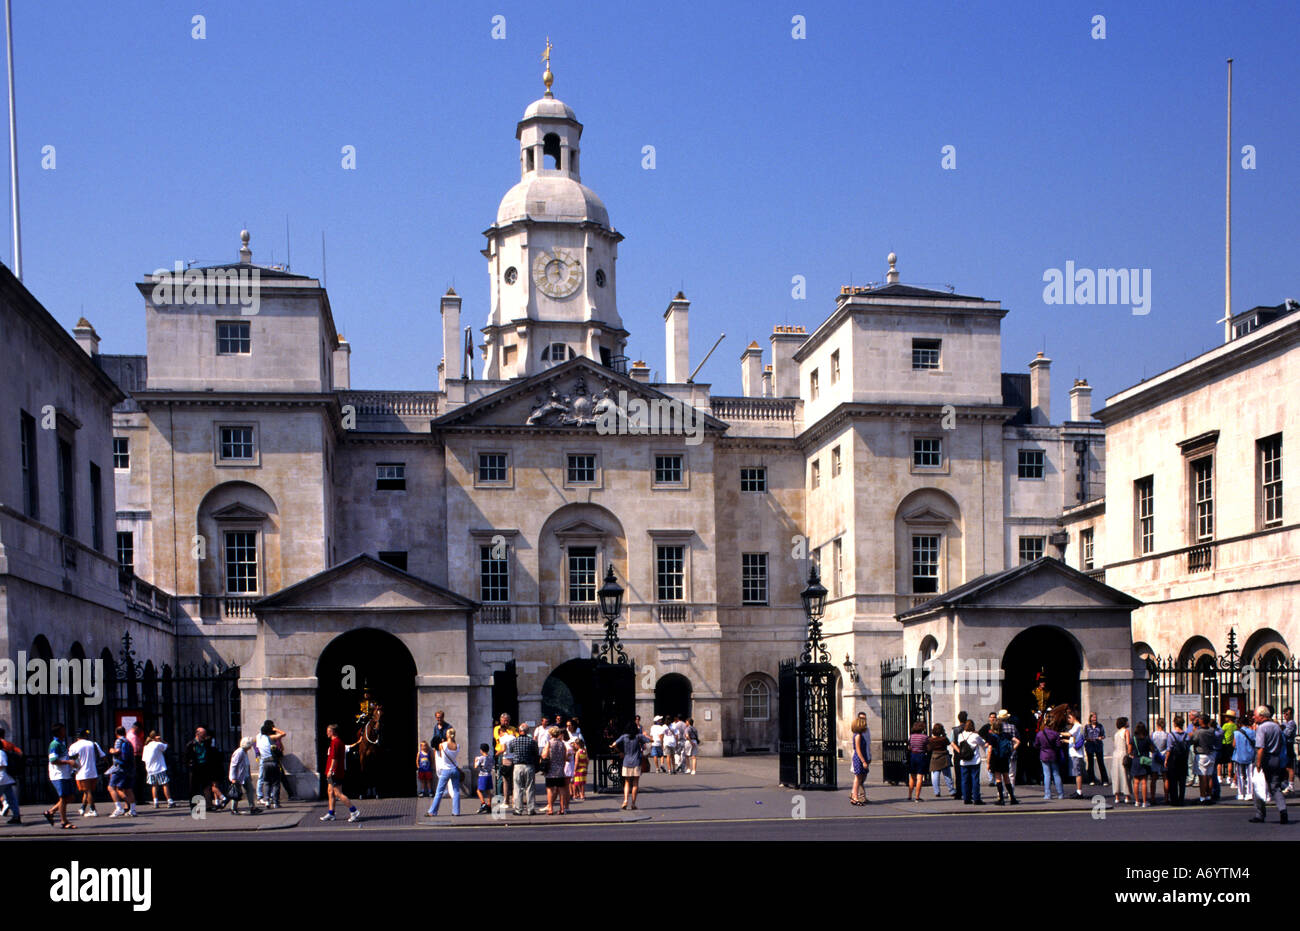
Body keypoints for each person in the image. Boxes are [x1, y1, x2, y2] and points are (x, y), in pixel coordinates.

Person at [1249, 705, 1288, 824]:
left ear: (1261, 716)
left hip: (1265, 759)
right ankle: (1283, 810)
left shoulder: (1262, 728)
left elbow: (1260, 748)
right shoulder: (1276, 727)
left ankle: (1260, 814)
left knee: (1258, 787)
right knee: (1275, 787)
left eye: (1255, 715)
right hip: (1275, 758)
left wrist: (1258, 764)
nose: (1253, 717)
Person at [320, 723, 360, 822]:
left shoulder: (336, 742)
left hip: (335, 772)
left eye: (328, 731)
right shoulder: (336, 742)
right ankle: (331, 813)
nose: (326, 733)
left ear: (333, 732)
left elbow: (335, 758)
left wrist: (330, 770)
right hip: (333, 771)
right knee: (330, 792)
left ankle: (354, 810)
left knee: (338, 793)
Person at [43, 723, 77, 828]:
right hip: (58, 775)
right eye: (63, 730)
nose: (65, 732)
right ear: (58, 732)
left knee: (70, 797)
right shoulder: (54, 744)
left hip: (65, 774)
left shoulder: (61, 743)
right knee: (63, 798)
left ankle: (51, 812)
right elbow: (53, 760)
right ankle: (64, 821)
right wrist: (68, 762)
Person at [612, 722, 651, 811]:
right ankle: (633, 804)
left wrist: (620, 752)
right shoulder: (638, 736)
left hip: (626, 762)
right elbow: (649, 741)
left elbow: (614, 744)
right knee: (635, 783)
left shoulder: (624, 737)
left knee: (626, 783)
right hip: (636, 762)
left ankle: (625, 801)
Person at [69, 728, 104, 818]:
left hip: (81, 772)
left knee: (87, 791)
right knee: (88, 791)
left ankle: (93, 809)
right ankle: (83, 808)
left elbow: (71, 760)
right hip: (93, 771)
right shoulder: (93, 744)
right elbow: (103, 756)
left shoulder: (73, 746)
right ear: (85, 735)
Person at [105, 725, 138, 818]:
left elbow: (117, 751)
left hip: (119, 767)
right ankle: (133, 810)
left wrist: (111, 750)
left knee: (111, 787)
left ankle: (118, 808)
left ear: (116, 733)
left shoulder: (119, 741)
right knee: (128, 789)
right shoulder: (128, 742)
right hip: (129, 768)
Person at [428, 727, 461, 816]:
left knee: (439, 791)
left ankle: (432, 811)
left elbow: (441, 755)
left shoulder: (442, 745)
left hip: (446, 770)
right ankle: (456, 811)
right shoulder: (457, 746)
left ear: (447, 735)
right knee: (456, 791)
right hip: (454, 769)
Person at [508, 722, 540, 816]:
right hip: (529, 766)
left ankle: (518, 809)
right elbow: (536, 753)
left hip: (517, 766)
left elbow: (511, 750)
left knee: (517, 788)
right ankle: (530, 809)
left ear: (519, 731)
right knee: (530, 788)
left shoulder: (514, 741)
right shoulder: (532, 741)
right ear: (527, 731)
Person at [988, 719, 1019, 805]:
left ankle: (1001, 799)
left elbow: (990, 749)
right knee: (1007, 778)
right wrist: (1011, 750)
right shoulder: (1006, 735)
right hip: (1005, 758)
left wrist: (988, 762)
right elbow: (1017, 741)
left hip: (996, 758)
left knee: (998, 778)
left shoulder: (992, 736)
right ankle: (1012, 798)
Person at [255, 721, 285, 808]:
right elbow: (283, 734)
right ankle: (276, 802)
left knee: (266, 782)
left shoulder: (258, 738)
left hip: (264, 762)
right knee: (276, 783)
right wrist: (275, 729)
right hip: (272, 761)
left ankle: (267, 800)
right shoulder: (270, 737)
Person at [955, 719, 985, 805]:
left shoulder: (960, 735)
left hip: (963, 761)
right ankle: (976, 799)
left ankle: (966, 799)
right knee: (975, 780)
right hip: (974, 760)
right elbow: (983, 744)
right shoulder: (975, 736)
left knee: (965, 780)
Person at [142, 731, 175, 808]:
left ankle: (155, 802)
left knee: (154, 786)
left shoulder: (146, 746)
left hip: (150, 769)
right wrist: (161, 740)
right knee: (165, 784)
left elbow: (144, 759)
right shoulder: (158, 744)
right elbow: (167, 746)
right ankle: (170, 801)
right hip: (159, 768)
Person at [542, 725, 569, 814]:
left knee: (550, 789)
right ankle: (562, 809)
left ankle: (550, 808)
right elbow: (565, 757)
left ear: (551, 734)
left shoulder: (549, 743)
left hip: (550, 771)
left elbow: (545, 755)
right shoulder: (562, 744)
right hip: (560, 770)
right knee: (561, 790)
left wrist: (543, 755)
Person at [1035, 719, 1064, 801]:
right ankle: (1060, 794)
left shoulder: (1040, 734)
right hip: (1053, 754)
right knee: (1056, 774)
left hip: (1044, 754)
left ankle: (1048, 794)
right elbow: (1058, 745)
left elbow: (1036, 745)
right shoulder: (1055, 734)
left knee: (1047, 775)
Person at [228, 738, 258, 815]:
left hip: (245, 775)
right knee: (236, 792)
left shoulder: (244, 752)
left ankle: (252, 807)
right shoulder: (239, 752)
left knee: (250, 790)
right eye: (250, 745)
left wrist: (249, 775)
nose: (251, 747)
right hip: (238, 776)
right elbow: (234, 765)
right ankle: (233, 809)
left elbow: (247, 764)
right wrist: (233, 778)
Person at [1127, 721, 1154, 807]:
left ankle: (1137, 801)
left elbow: (1129, 751)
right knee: (1144, 782)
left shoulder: (1133, 738)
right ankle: (1145, 802)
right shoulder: (1147, 738)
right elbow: (1152, 749)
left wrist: (1133, 755)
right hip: (1144, 760)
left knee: (1135, 782)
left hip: (1136, 760)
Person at [1192, 714, 1218, 804]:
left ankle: (1202, 797)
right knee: (1209, 776)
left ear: (1202, 721)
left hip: (1201, 754)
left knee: (1202, 777)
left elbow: (1194, 740)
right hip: (1211, 754)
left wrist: (1194, 730)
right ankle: (1209, 796)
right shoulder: (1212, 730)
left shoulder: (1199, 732)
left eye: (1199, 720)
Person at [1165, 716, 1190, 806]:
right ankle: (1181, 799)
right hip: (1183, 760)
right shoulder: (1186, 735)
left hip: (1173, 760)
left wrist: (1166, 760)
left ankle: (1174, 800)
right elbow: (1187, 748)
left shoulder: (1171, 735)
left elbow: (1169, 749)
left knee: (1173, 780)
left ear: (1175, 723)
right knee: (1182, 781)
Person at [926, 722, 955, 798]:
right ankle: (951, 790)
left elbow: (928, 749)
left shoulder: (931, 740)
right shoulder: (944, 739)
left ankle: (937, 791)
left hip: (935, 756)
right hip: (944, 756)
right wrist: (944, 734)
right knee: (947, 775)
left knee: (935, 775)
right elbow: (948, 743)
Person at [849, 712, 871, 805]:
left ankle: (855, 796)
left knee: (859, 778)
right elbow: (858, 750)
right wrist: (863, 761)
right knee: (857, 778)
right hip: (859, 758)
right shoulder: (858, 736)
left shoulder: (860, 735)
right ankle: (855, 797)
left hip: (863, 757)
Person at [494, 715, 516, 807]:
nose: (506, 722)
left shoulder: (513, 728)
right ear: (501, 720)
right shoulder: (497, 728)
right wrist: (509, 735)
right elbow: (497, 738)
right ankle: (500, 797)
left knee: (509, 778)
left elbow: (516, 737)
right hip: (501, 754)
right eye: (504, 721)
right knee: (500, 777)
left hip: (507, 755)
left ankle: (510, 799)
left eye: (507, 721)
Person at [1232, 716, 1256, 801]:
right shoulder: (1252, 732)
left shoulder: (1236, 733)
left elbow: (1234, 745)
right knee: (1250, 775)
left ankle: (1240, 793)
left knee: (1240, 775)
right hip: (1250, 755)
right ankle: (1250, 793)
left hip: (1239, 756)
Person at [1065, 709, 1086, 799]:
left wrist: (1057, 734)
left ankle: (1079, 792)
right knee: (1076, 773)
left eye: (1069, 717)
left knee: (1078, 773)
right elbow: (1073, 740)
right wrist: (1065, 741)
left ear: (1074, 717)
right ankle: (1078, 790)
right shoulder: (1077, 726)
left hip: (1076, 753)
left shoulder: (1077, 726)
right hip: (1075, 752)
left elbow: (1069, 734)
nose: (1068, 720)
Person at [1112, 717, 1133, 806]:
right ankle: (1127, 796)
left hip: (1115, 755)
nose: (1128, 722)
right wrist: (1130, 754)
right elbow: (1128, 744)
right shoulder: (1126, 731)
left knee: (1116, 776)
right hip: (1123, 754)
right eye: (1127, 721)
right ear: (1124, 723)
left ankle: (1117, 796)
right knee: (1125, 775)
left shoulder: (1116, 733)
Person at [1083, 712, 1108, 786]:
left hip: (1098, 744)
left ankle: (1104, 780)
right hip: (1090, 744)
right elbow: (1084, 736)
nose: (1095, 719)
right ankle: (1091, 779)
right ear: (1090, 718)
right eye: (1093, 717)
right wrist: (1089, 739)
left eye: (1095, 717)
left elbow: (1103, 735)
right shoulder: (1087, 726)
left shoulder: (1100, 726)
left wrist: (1101, 737)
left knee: (1101, 762)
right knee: (1090, 763)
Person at [907, 719, 928, 802]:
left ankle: (909, 795)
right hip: (921, 756)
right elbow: (927, 747)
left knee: (912, 777)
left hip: (913, 756)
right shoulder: (924, 737)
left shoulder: (911, 736)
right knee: (919, 777)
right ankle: (917, 797)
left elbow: (909, 747)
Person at [0, 741, 20, 825]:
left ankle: (16, 816)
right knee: (11, 798)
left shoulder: (0, 752)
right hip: (5, 779)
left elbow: (3, 764)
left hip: (2, 778)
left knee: (10, 798)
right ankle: (16, 816)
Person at [950, 711, 968, 801]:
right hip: (968, 753)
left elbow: (952, 743)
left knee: (958, 774)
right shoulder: (969, 728)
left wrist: (959, 751)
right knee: (967, 773)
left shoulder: (954, 730)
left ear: (958, 718)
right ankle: (968, 792)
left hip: (958, 754)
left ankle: (959, 793)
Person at [473, 743, 493, 814]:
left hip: (482, 776)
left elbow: (475, 766)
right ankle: (489, 805)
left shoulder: (481, 758)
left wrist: (475, 760)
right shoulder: (491, 757)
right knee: (488, 791)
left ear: (481, 750)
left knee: (479, 791)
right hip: (489, 775)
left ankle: (483, 804)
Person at [1282, 707, 1296, 795]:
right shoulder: (1284, 723)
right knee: (1285, 766)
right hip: (1284, 745)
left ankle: (1291, 785)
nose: (1285, 716)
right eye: (1284, 714)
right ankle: (1286, 784)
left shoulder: (1291, 724)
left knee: (1289, 766)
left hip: (1289, 745)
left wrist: (1281, 729)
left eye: (1287, 714)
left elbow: (1286, 734)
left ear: (1291, 715)